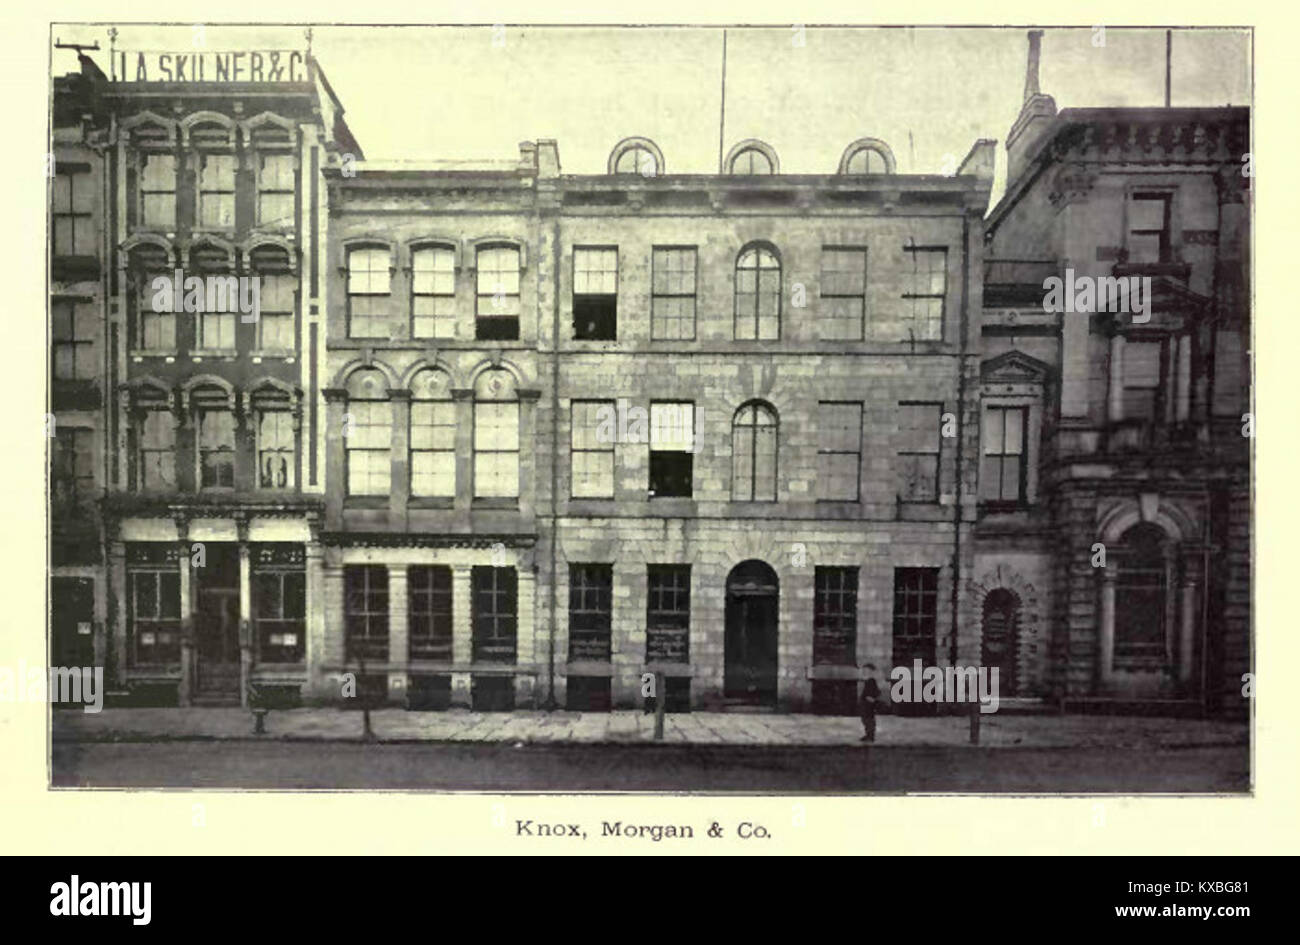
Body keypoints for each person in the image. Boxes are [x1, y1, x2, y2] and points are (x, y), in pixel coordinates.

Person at [860, 665, 880, 743]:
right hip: (866, 704)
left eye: (866, 670)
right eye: (864, 670)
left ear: (871, 672)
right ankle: (869, 735)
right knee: (866, 720)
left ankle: (870, 736)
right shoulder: (869, 680)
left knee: (868, 720)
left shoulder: (871, 681)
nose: (864, 672)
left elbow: (876, 692)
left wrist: (871, 698)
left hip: (868, 705)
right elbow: (877, 692)